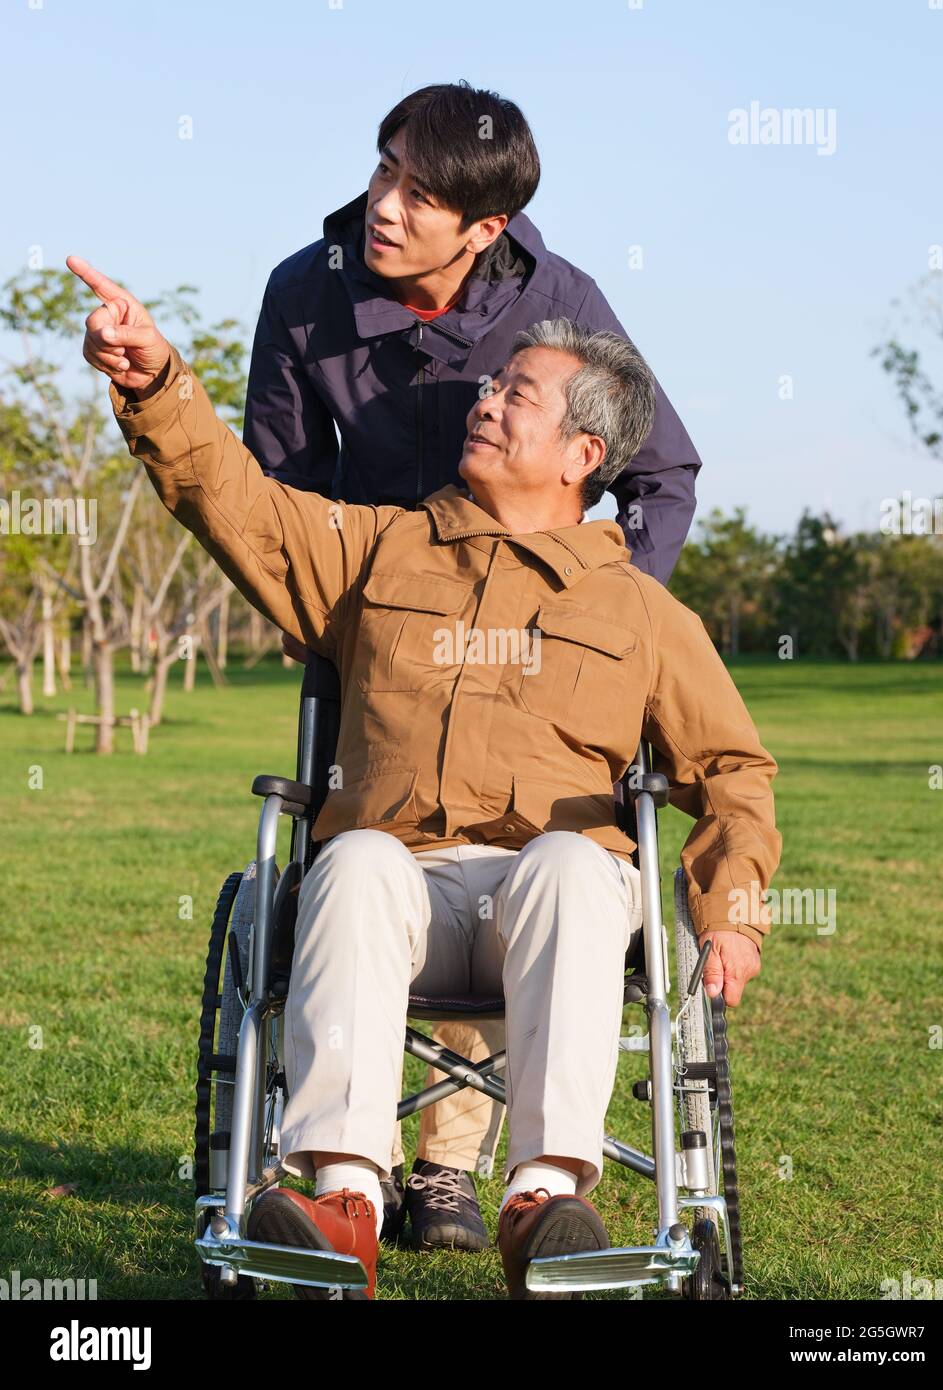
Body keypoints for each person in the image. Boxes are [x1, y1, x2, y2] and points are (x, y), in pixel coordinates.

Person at [71, 253, 781, 1301]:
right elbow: (239, 504)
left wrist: (732, 908)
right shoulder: (378, 551)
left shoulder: (640, 612)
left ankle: (545, 1200)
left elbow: (729, 767)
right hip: (398, 887)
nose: (484, 401)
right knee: (350, 857)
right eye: (491, 386)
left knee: (576, 868)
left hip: (549, 902)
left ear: (583, 452)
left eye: (514, 394)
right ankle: (344, 1198)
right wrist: (155, 380)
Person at [240, 80, 704, 1249]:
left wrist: (594, 630)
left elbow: (664, 474)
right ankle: (343, 1172)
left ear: (484, 228)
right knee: (392, 848)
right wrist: (351, 607)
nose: (384, 205)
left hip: (542, 635)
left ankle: (453, 1163)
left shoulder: (556, 303)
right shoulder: (305, 293)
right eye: (383, 168)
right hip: (383, 602)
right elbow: (273, 494)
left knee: (531, 835)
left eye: (421, 192)